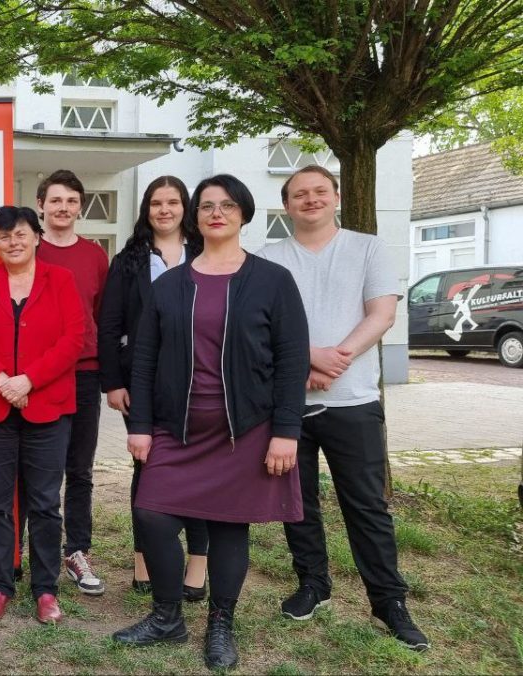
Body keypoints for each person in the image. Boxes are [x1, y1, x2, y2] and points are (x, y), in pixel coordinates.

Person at [112, 174, 309, 670]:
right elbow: (145, 358)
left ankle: (221, 623)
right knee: (152, 514)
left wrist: (286, 431)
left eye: (226, 205)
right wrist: (141, 425)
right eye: (206, 206)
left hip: (244, 430)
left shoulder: (271, 280)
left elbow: (291, 359)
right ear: (196, 217)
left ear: (243, 213)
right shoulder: (172, 284)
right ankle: (166, 618)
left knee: (227, 528)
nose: (215, 213)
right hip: (177, 429)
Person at [258, 165, 430, 651]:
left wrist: (337, 359)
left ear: (335, 197)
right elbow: (262, 328)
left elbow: (383, 313)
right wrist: (308, 358)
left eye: (319, 192)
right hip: (289, 404)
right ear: (287, 205)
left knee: (367, 506)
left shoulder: (368, 247)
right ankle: (313, 584)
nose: (309, 200)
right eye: (298, 194)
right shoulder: (270, 258)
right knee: (298, 503)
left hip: (354, 400)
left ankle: (389, 601)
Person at [0, 205, 85, 625]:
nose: (14, 242)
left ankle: (46, 590)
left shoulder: (61, 280)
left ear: (37, 237)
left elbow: (73, 339)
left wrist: (28, 380)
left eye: (22, 234)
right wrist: (2, 381)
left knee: (46, 504)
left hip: (46, 407)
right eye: (5, 235)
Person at [98, 176, 209, 600]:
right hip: (141, 383)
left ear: (186, 207)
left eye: (173, 202)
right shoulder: (129, 260)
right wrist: (112, 382)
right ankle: (142, 561)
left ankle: (197, 564)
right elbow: (109, 326)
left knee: (201, 471)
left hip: (202, 382)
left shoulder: (206, 254)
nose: (165, 210)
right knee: (148, 469)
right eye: (156, 203)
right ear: (146, 210)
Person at [31, 170, 109, 596]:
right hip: (38, 376)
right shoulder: (28, 248)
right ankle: (27, 553)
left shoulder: (95, 256)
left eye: (71, 201)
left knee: (79, 470)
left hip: (84, 373)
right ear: (41, 204)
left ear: (80, 207)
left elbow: (102, 314)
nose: (63, 208)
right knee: (39, 471)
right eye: (55, 200)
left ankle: (77, 552)